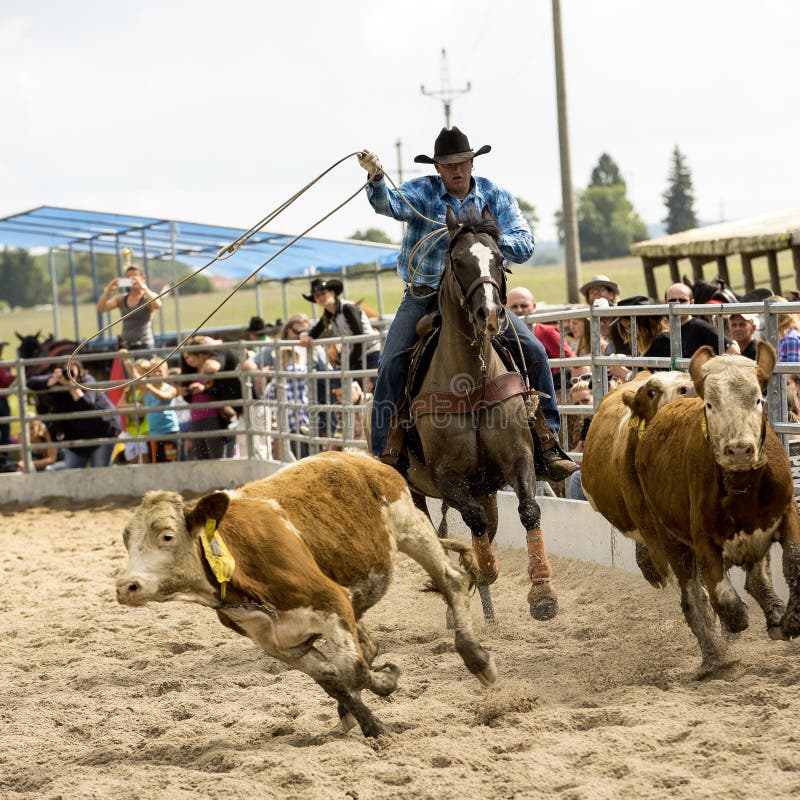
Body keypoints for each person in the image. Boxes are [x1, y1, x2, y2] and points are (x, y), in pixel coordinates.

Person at [357, 127, 576, 480]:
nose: (456, 170)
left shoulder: (494, 195)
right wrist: (377, 178)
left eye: (461, 162)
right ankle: (385, 453)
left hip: (479, 293)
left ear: (472, 162)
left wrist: (482, 242)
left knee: (533, 350)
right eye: (447, 164)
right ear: (438, 168)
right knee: (392, 361)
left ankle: (547, 442)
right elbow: (390, 205)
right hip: (425, 292)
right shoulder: (423, 192)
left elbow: (525, 242)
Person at [28, 361, 121, 469]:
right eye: (65, 370)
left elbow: (87, 405)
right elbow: (31, 383)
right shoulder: (57, 379)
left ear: (79, 370)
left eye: (71, 369)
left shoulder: (87, 380)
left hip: (102, 433)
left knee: (99, 470)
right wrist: (51, 381)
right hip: (76, 438)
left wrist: (71, 385)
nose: (68, 373)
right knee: (73, 471)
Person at [300, 278, 380, 389]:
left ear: (332, 292)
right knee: (338, 385)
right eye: (317, 296)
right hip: (356, 357)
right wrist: (305, 335)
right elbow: (316, 331)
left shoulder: (348, 308)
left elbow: (360, 338)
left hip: (370, 354)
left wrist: (347, 363)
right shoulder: (328, 314)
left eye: (323, 293)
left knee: (376, 387)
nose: (321, 297)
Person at [506, 286, 575, 391]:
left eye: (524, 305)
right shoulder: (502, 335)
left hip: (546, 394)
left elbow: (573, 364)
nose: (519, 310)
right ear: (506, 309)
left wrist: (557, 387)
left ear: (534, 307)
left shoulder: (548, 332)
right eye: (514, 307)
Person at [646, 282, 739, 359]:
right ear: (666, 303)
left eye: (682, 300)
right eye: (672, 300)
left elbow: (734, 351)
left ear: (692, 302)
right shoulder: (664, 333)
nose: (677, 304)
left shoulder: (701, 328)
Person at [96, 264, 163, 350]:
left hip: (144, 344)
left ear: (143, 278)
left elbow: (157, 305)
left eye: (135, 276)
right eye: (128, 277)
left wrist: (143, 286)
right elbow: (101, 308)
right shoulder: (121, 298)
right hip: (125, 346)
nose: (132, 279)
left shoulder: (147, 297)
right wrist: (108, 290)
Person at [142, 358, 180, 462]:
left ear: (166, 373)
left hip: (170, 433)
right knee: (155, 464)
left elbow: (164, 397)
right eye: (154, 371)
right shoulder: (146, 389)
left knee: (172, 462)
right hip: (154, 435)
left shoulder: (171, 389)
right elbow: (134, 375)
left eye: (160, 371)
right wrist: (126, 360)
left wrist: (148, 385)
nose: (157, 373)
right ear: (149, 374)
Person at [0, 338, 14, 472]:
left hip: (3, 399)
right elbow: (5, 379)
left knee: (5, 429)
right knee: (4, 429)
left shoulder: (3, 363)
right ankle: (4, 458)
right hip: (1, 400)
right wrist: (18, 377)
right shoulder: (2, 365)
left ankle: (4, 458)